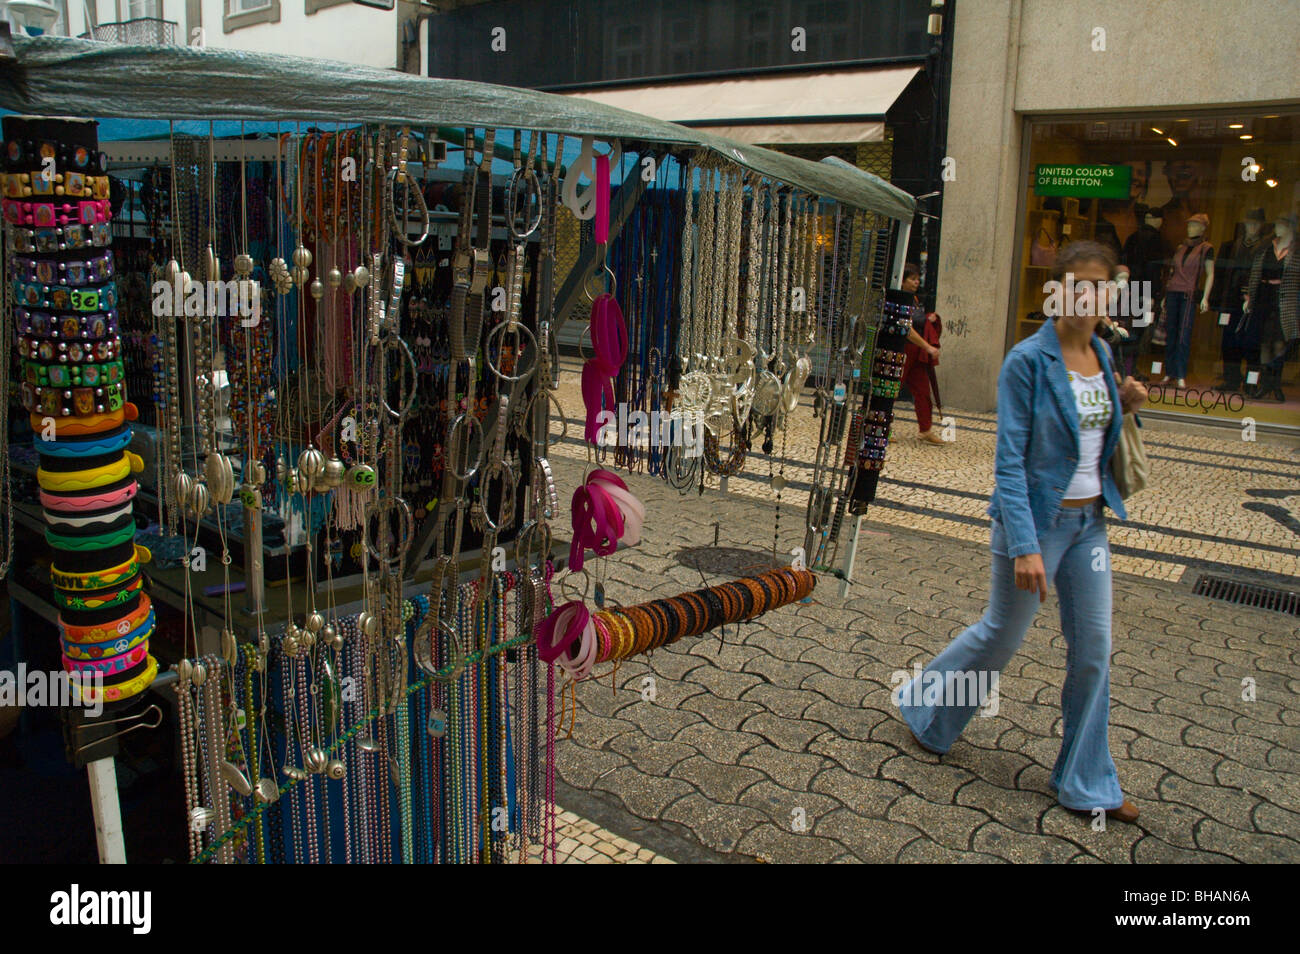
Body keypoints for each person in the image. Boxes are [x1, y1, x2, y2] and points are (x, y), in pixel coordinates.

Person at [894, 241, 1149, 824]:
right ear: (1056, 291)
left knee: (1093, 654)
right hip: (1032, 524)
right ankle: (927, 711)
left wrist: (1127, 405)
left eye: (1100, 286)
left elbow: (1098, 437)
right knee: (998, 639)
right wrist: (1027, 545)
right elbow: (1008, 463)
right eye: (1077, 284)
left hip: (1088, 527)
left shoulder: (1105, 356)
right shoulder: (1027, 361)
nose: (1088, 296)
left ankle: (1086, 781)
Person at [899, 263, 944, 443]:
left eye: (917, 279)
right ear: (902, 281)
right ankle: (883, 427)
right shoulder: (899, 300)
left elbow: (917, 322)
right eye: (912, 279)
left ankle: (925, 429)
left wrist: (928, 319)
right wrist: (928, 347)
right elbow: (907, 328)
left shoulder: (915, 300)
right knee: (892, 390)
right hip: (903, 349)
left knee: (923, 389)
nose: (916, 282)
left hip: (916, 352)